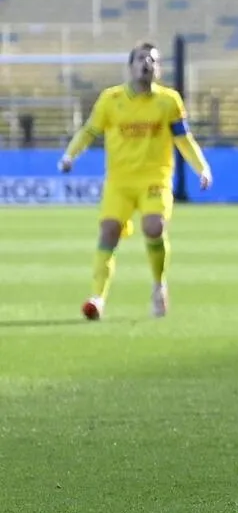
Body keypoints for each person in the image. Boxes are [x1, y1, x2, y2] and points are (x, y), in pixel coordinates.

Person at [59, 42, 213, 321]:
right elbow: (89, 131)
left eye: (153, 60)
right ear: (130, 66)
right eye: (141, 59)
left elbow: (183, 139)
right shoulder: (111, 99)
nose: (147, 64)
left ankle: (158, 285)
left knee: (154, 227)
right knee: (108, 231)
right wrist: (70, 155)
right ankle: (97, 298)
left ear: (159, 68)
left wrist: (202, 168)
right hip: (120, 182)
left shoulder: (169, 101)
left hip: (155, 179)